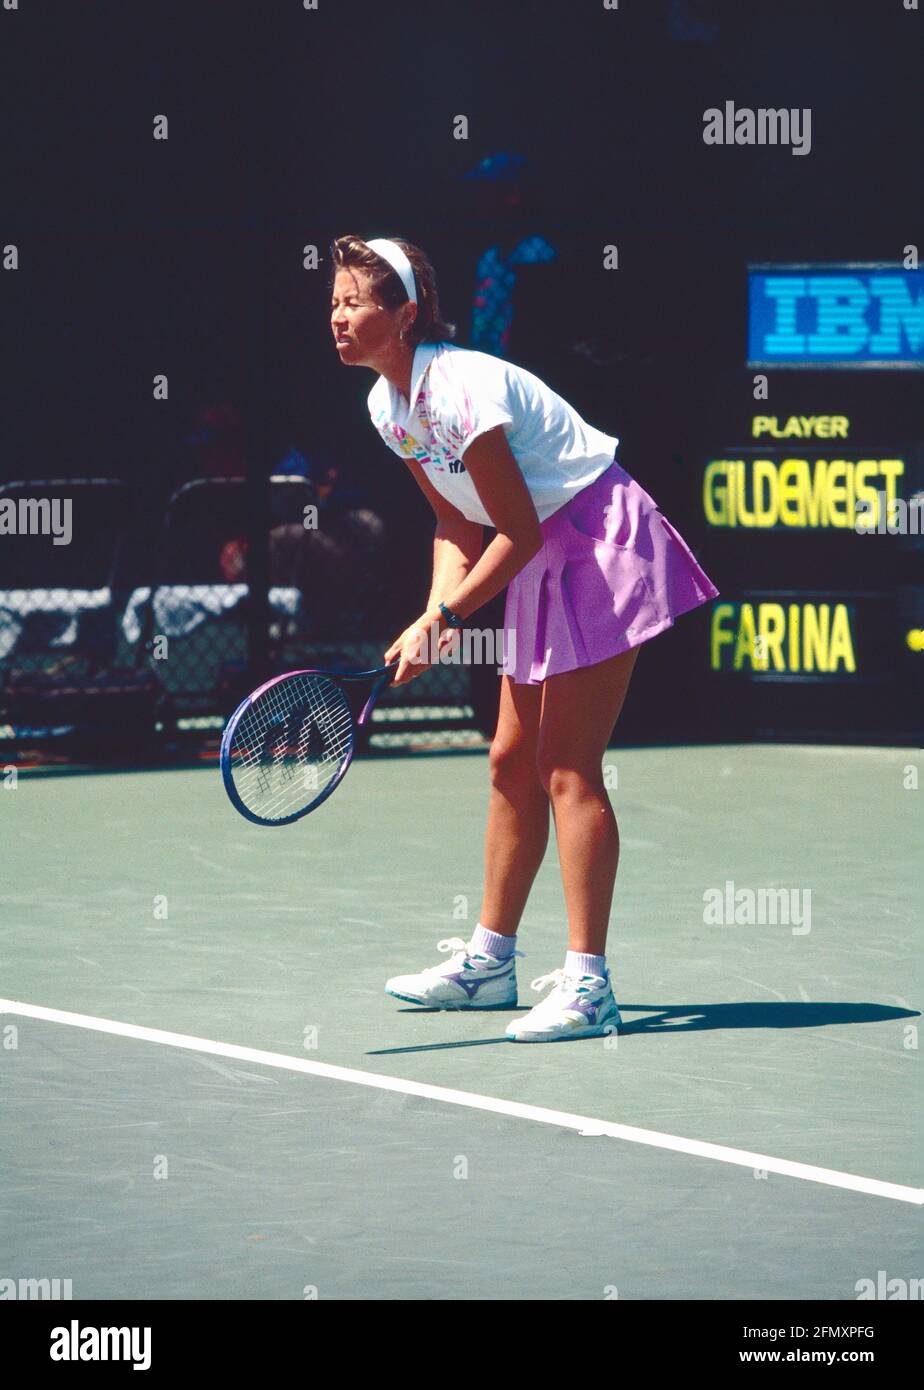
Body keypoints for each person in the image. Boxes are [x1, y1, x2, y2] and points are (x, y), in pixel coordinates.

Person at [329, 233, 720, 1043]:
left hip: (597, 540)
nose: (336, 316)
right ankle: (490, 965)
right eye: (332, 301)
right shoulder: (386, 406)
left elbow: (515, 530)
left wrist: (443, 620)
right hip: (542, 550)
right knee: (510, 758)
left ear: (404, 318)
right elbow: (452, 520)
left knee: (567, 768)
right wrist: (432, 613)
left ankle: (589, 984)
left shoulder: (457, 391)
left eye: (354, 303)